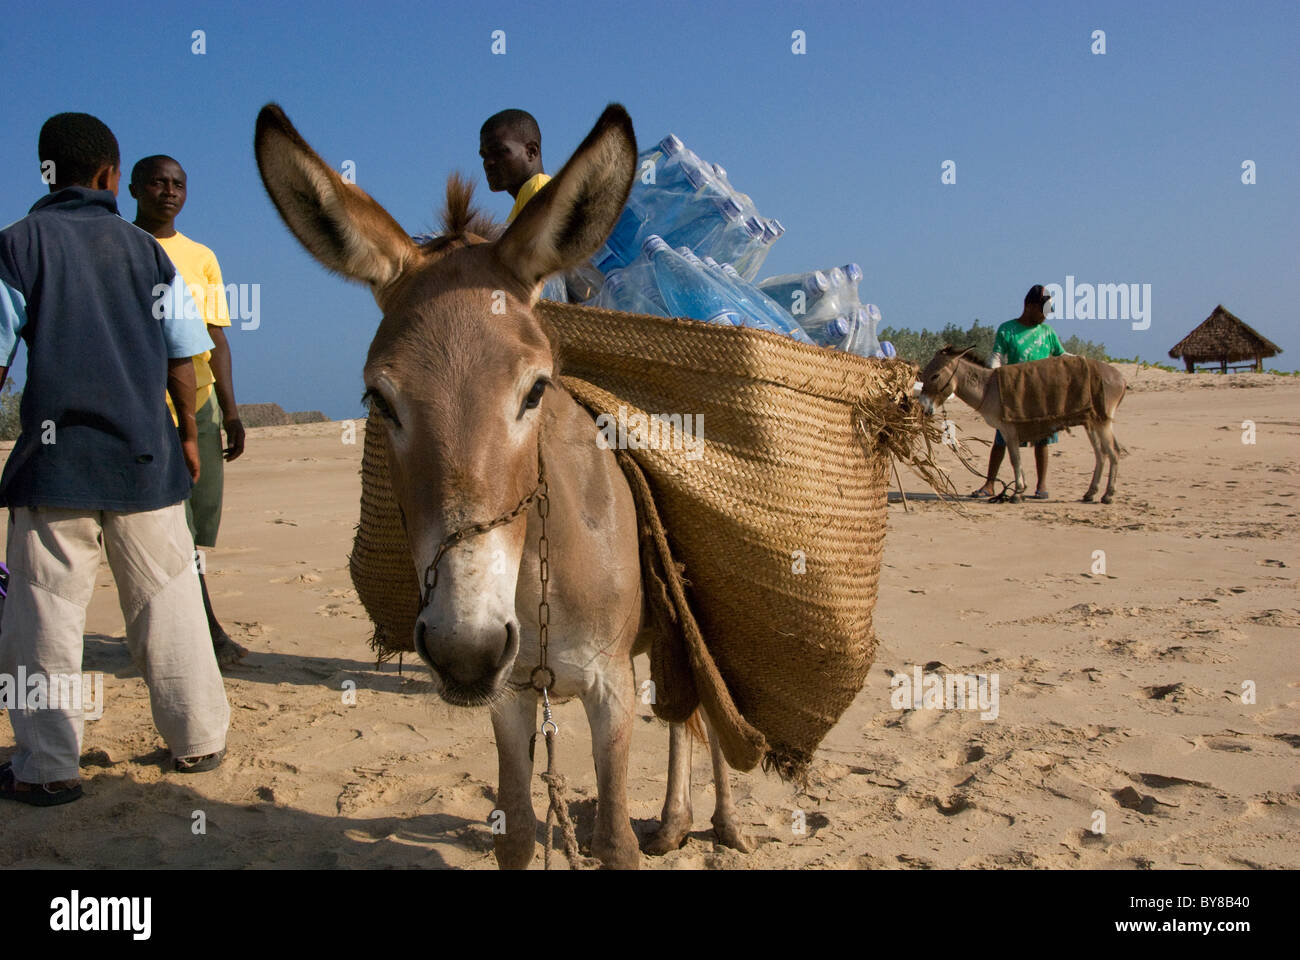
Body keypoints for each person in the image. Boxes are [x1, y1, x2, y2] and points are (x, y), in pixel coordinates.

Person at [0, 113, 230, 806]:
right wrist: (187, 436)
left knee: (45, 615)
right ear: (109, 176)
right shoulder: (145, 250)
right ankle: (198, 741)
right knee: (169, 602)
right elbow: (183, 354)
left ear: (46, 172)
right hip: (145, 457)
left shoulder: (18, 245)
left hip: (56, 460)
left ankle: (47, 768)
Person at [130, 155, 247, 665]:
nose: (168, 192)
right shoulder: (120, 246)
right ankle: (200, 631)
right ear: (133, 187)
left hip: (199, 405)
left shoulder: (201, 256)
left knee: (196, 527)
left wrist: (231, 410)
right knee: (160, 525)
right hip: (141, 408)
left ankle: (198, 625)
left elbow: (215, 338)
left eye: (178, 184)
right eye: (157, 182)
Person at [478, 109, 593, 302]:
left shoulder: (539, 188)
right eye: (484, 155)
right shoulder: (525, 199)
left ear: (531, 151)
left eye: (499, 152)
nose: (488, 163)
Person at [970, 284, 1068, 500]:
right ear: (1028, 306)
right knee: (1001, 439)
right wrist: (992, 373)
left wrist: (1079, 365)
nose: (1045, 317)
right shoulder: (1007, 329)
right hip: (1014, 395)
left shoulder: (1047, 332)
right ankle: (989, 484)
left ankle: (1041, 485)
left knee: (1043, 440)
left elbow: (1061, 357)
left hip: (1042, 396)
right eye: (1042, 311)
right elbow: (997, 355)